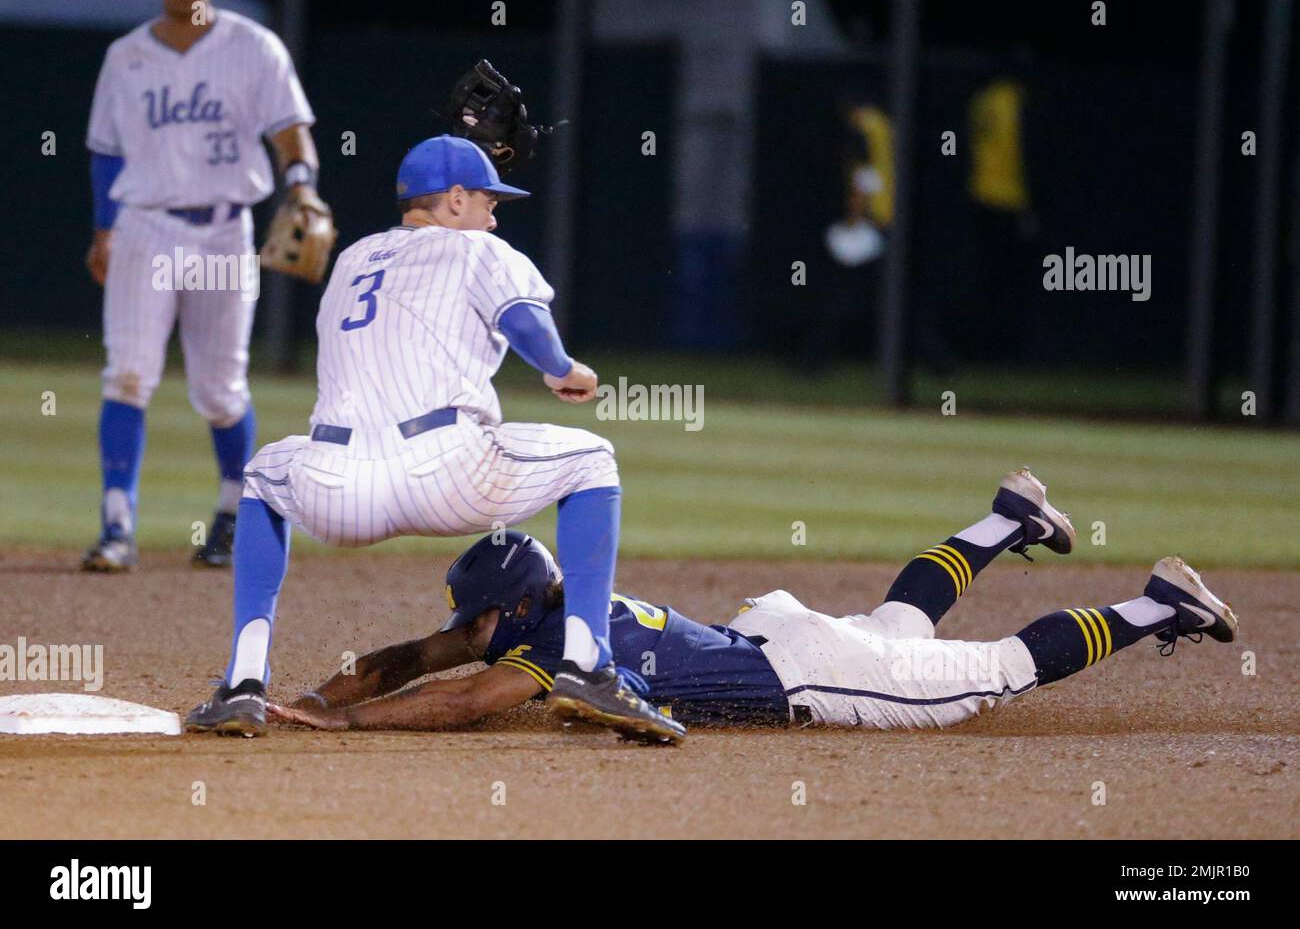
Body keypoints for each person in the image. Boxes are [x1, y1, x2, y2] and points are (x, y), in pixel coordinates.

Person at [184, 134, 684, 745]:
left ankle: (242, 686)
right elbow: (526, 324)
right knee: (593, 461)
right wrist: (564, 371)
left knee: (262, 474)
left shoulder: (353, 257)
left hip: (334, 485)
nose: (493, 215)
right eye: (486, 200)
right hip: (447, 471)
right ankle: (587, 668)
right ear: (452, 200)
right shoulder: (481, 249)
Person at [264, 469, 1238, 733]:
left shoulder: (558, 634)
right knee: (897, 626)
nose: (463, 630)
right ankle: (1007, 518)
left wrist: (344, 730)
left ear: (507, 609)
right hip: (778, 638)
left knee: (993, 670)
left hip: (800, 660)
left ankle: (1157, 602)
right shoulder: (549, 601)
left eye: (472, 617)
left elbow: (464, 698)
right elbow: (419, 657)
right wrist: (319, 694)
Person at [82, 0, 325, 571]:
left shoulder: (254, 47)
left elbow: (294, 137)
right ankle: (117, 527)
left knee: (220, 390)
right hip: (145, 227)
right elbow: (106, 150)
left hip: (224, 230)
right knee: (128, 376)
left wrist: (300, 187)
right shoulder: (127, 55)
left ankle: (230, 515)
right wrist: (104, 229)